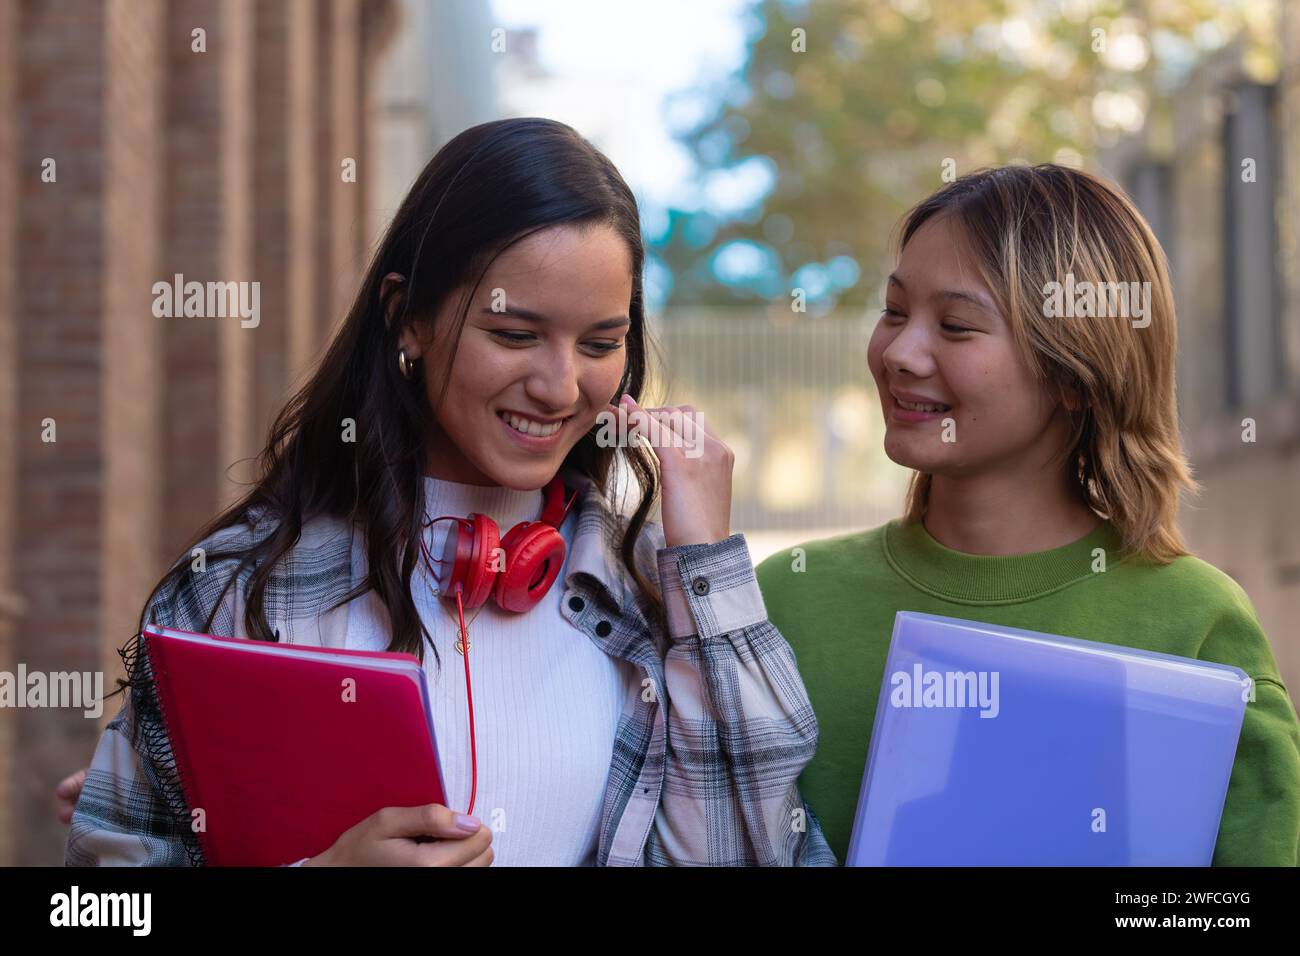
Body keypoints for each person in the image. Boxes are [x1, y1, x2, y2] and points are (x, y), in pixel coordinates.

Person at [65, 117, 831, 867]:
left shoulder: (652, 594)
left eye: (600, 343)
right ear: (408, 319)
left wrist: (704, 567)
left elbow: (757, 851)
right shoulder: (242, 583)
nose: (560, 386)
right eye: (515, 334)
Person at [757, 163, 1300, 866]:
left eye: (954, 325)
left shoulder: (1196, 621)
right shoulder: (784, 600)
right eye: (894, 311)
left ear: (1075, 375)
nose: (898, 352)